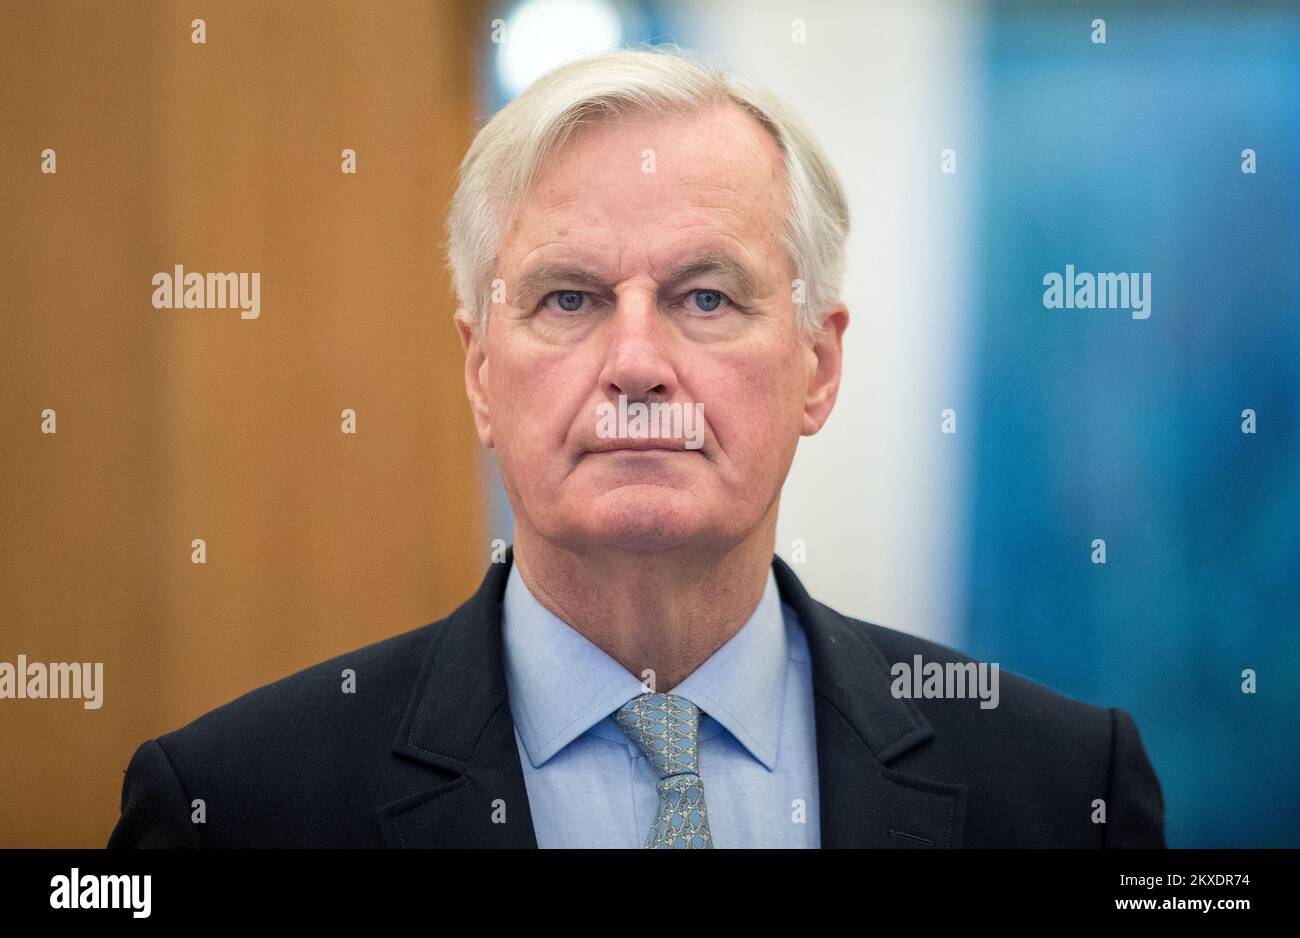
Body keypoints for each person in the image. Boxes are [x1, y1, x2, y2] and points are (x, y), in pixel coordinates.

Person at [108, 46, 1165, 849]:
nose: (635, 363)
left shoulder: (1064, 786)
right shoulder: (232, 805)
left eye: (705, 296)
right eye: (568, 298)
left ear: (818, 365)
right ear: (482, 371)